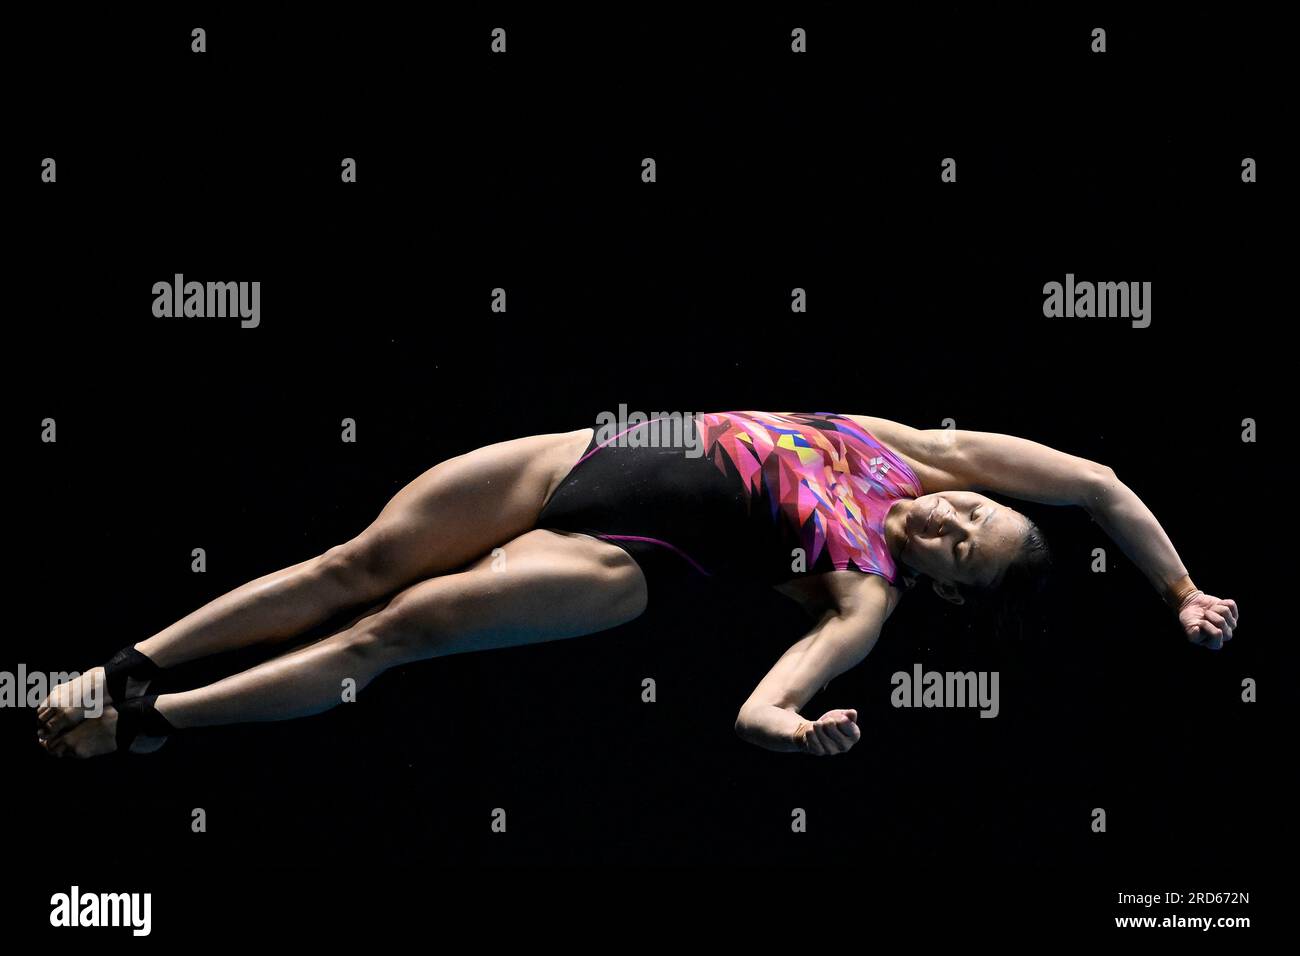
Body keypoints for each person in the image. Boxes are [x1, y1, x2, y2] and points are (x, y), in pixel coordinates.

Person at [35, 411, 1238, 759]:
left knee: (387, 632)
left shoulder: (865, 589)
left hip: (618, 560)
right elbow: (1095, 477)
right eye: (974, 512)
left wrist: (789, 728)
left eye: (961, 547)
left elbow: (762, 705)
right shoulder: (919, 452)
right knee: (349, 564)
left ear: (947, 589)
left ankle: (146, 724)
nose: (954, 516)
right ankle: (126, 662)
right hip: (585, 454)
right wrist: (1178, 589)